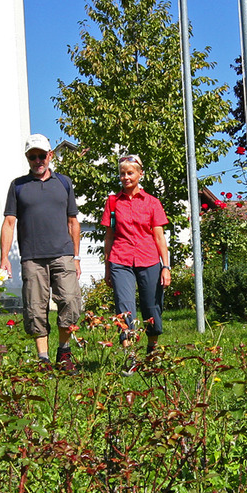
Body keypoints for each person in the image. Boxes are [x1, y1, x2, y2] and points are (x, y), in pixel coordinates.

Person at [0, 134, 82, 370]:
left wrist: (76, 257)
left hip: (63, 255)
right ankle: (42, 358)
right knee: (35, 308)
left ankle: (64, 352)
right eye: (32, 156)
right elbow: (9, 222)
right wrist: (4, 257)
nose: (37, 160)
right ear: (27, 158)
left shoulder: (64, 183)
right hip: (32, 258)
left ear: (50, 155)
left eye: (41, 155)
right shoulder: (18, 185)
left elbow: (73, 222)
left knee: (70, 301)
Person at [101, 154, 172, 369]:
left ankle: (152, 350)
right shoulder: (113, 202)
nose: (125, 177)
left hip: (149, 260)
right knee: (124, 308)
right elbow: (109, 237)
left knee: (152, 307)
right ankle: (130, 356)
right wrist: (107, 268)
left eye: (130, 173)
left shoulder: (152, 203)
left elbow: (159, 237)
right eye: (122, 173)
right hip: (120, 260)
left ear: (140, 174)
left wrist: (166, 266)